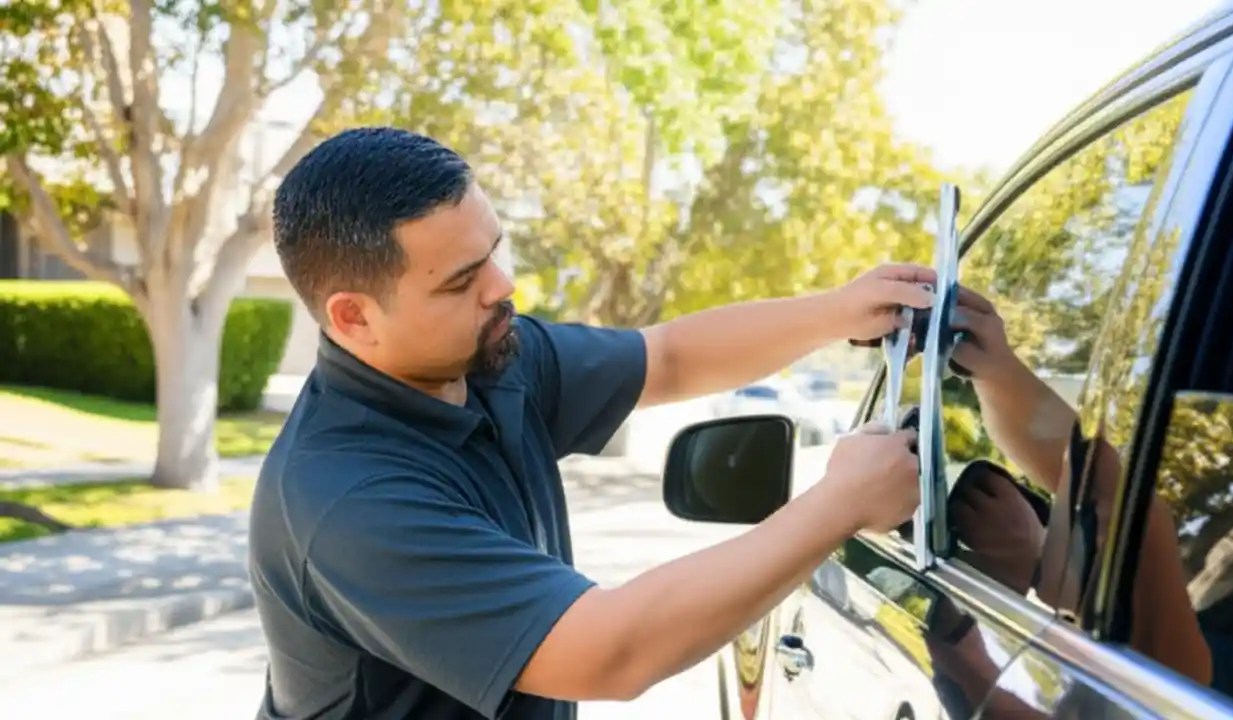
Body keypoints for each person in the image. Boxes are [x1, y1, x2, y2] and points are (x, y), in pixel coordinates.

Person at [248, 127, 927, 720]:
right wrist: (839, 505)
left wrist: (840, 312)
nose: (501, 287)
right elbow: (611, 651)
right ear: (353, 317)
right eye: (460, 281)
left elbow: (667, 358)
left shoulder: (486, 358)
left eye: (495, 252)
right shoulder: (348, 500)